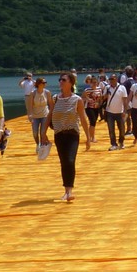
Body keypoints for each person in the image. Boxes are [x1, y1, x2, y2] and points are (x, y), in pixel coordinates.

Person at [49, 72, 92, 201]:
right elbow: (49, 115)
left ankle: (69, 190)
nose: (60, 82)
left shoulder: (77, 100)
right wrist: (43, 132)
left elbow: (83, 119)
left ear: (71, 83)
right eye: (60, 80)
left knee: (70, 161)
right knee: (64, 162)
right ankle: (66, 190)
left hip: (72, 134)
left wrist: (88, 138)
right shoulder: (55, 98)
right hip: (59, 135)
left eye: (63, 80)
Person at [104, 74, 129, 150]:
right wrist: (106, 94)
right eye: (110, 79)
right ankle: (113, 144)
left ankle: (121, 142)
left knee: (121, 129)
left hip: (120, 112)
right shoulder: (107, 88)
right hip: (110, 112)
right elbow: (103, 98)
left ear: (116, 79)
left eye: (113, 79)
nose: (111, 80)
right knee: (111, 129)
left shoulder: (122, 88)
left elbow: (125, 100)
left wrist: (125, 111)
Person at [25, 76, 52, 146]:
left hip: (45, 114)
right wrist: (30, 115)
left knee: (43, 132)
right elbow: (30, 105)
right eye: (43, 82)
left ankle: (43, 146)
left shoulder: (47, 92)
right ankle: (38, 144)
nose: (45, 84)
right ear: (39, 84)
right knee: (35, 133)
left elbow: (51, 104)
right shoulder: (33, 93)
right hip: (35, 115)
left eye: (45, 82)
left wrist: (52, 114)